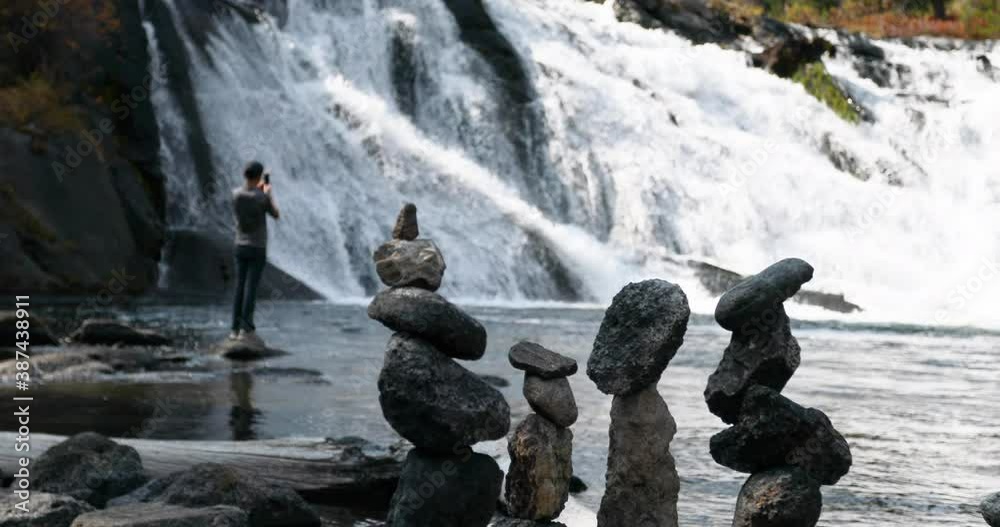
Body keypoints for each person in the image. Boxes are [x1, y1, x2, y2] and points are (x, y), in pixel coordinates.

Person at [230, 161, 280, 342]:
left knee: (239, 287)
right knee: (251, 288)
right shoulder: (262, 197)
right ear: (259, 177)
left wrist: (261, 188)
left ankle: (234, 329)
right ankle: (247, 328)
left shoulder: (235, 194)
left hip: (239, 246)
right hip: (257, 247)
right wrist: (267, 189)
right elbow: (276, 214)